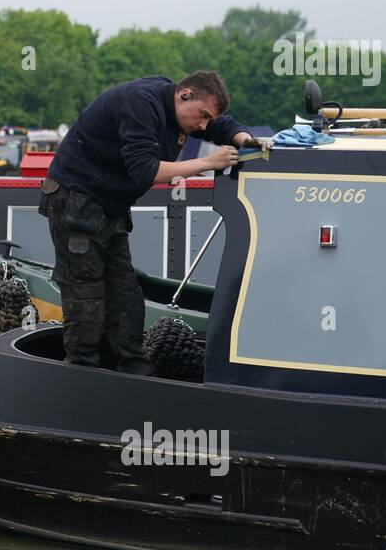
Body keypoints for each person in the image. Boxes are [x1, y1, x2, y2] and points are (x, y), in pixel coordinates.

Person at [38, 71, 270, 373]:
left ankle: (132, 367)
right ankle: (81, 372)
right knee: (86, 293)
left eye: (206, 119)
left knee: (125, 293)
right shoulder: (140, 104)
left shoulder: (175, 105)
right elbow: (145, 171)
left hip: (107, 207)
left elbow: (219, 124)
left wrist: (244, 139)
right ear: (184, 94)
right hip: (77, 202)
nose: (202, 125)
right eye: (201, 116)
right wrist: (208, 162)